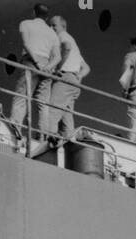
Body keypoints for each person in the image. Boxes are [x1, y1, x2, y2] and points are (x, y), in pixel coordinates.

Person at [9, 4, 60, 137]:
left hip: (31, 62)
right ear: (47, 17)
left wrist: (36, 63)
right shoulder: (52, 33)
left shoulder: (25, 24)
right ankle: (43, 136)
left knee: (22, 96)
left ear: (33, 13)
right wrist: (47, 68)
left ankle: (16, 127)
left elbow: (26, 44)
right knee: (43, 104)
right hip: (47, 66)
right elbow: (57, 57)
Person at [46, 15, 88, 143]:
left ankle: (48, 139)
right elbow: (86, 67)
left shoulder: (62, 36)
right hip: (73, 82)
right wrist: (78, 77)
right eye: (50, 25)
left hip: (64, 78)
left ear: (63, 27)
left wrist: (58, 67)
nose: (51, 28)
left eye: (54, 25)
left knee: (52, 109)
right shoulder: (73, 42)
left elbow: (67, 47)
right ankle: (69, 142)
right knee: (66, 115)